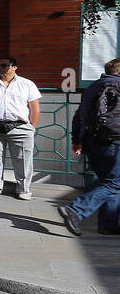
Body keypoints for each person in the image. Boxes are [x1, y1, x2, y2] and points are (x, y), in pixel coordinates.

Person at [58, 58, 120, 236]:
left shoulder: (93, 87)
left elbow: (79, 115)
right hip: (114, 141)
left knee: (108, 182)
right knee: (114, 183)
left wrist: (76, 139)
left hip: (92, 141)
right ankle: (75, 210)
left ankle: (108, 224)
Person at [0, 56, 41, 200]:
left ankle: (23, 189)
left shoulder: (27, 84)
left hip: (20, 127)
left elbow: (35, 108)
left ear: (14, 67)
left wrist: (32, 127)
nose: (0, 68)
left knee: (23, 160)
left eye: (4, 65)